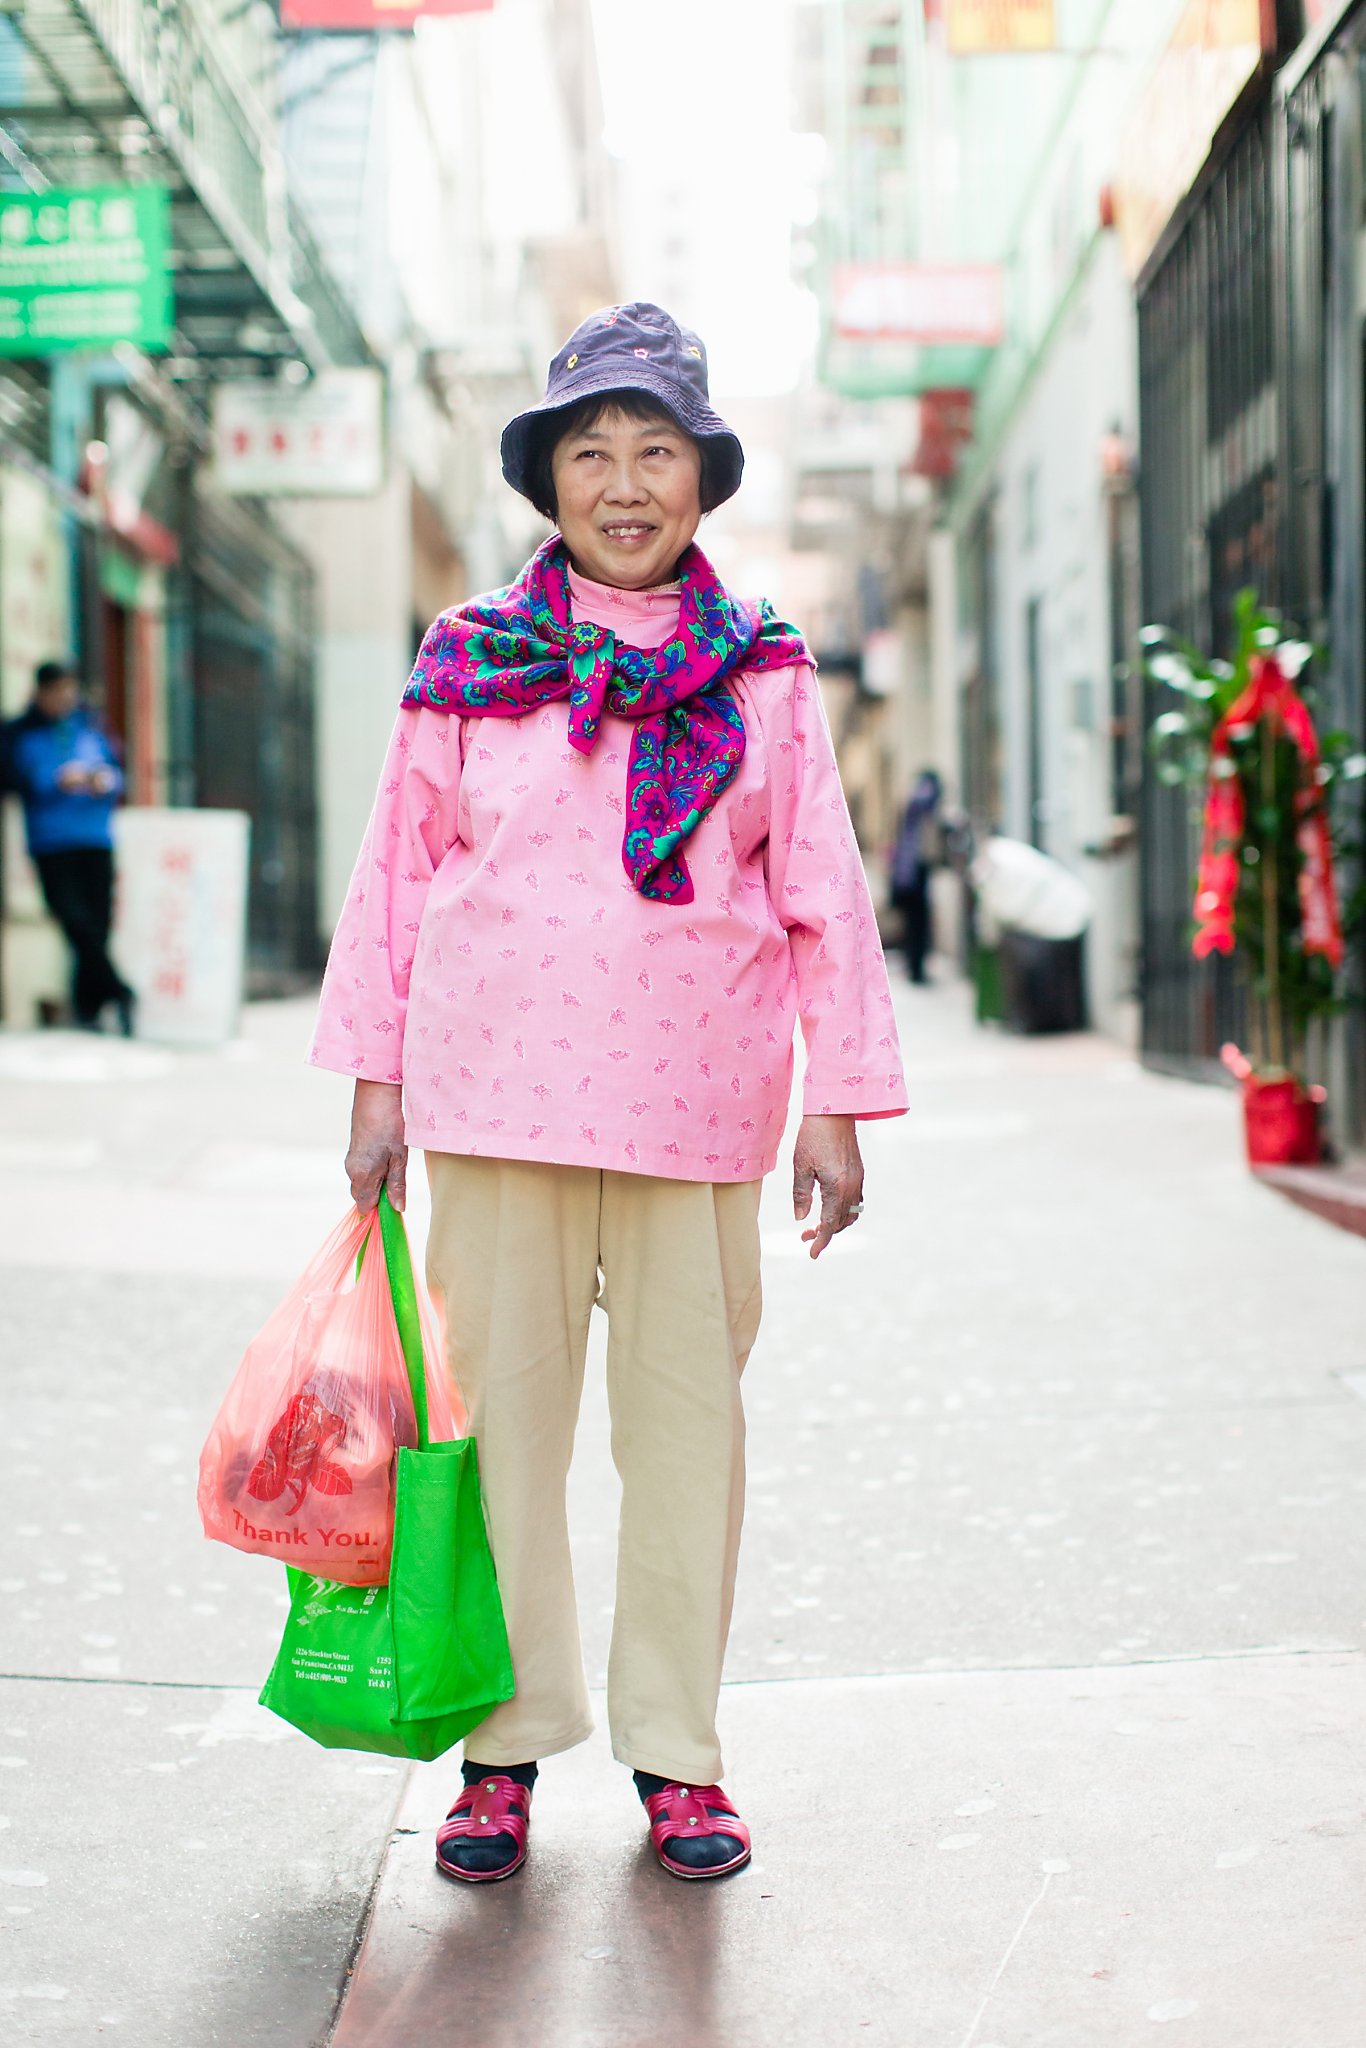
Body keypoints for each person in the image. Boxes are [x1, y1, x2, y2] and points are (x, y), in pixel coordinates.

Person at [310, 303, 909, 1885]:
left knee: (685, 1441)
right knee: (498, 1442)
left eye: (655, 451)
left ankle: (678, 1760)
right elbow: (393, 879)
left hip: (697, 1109)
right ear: (549, 479)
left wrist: (836, 1099)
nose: (624, 483)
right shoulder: (467, 658)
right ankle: (500, 1754)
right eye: (591, 452)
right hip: (490, 1103)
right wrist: (373, 1083)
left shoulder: (763, 667)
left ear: (701, 478)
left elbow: (821, 889)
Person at [1, 659, 135, 1034]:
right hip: (51, 840)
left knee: (97, 922)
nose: (64, 697)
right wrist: (55, 780)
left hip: (95, 835)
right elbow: (12, 779)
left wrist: (103, 781)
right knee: (73, 918)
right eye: (57, 690)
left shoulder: (91, 726)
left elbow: (117, 772)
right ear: (40, 692)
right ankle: (119, 991)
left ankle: (89, 1006)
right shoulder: (20, 733)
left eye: (69, 689)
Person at [890, 769, 943, 984]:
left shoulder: (911, 804)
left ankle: (915, 968)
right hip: (914, 873)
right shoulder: (920, 800)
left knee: (915, 924)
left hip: (910, 873)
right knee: (917, 923)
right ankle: (916, 970)